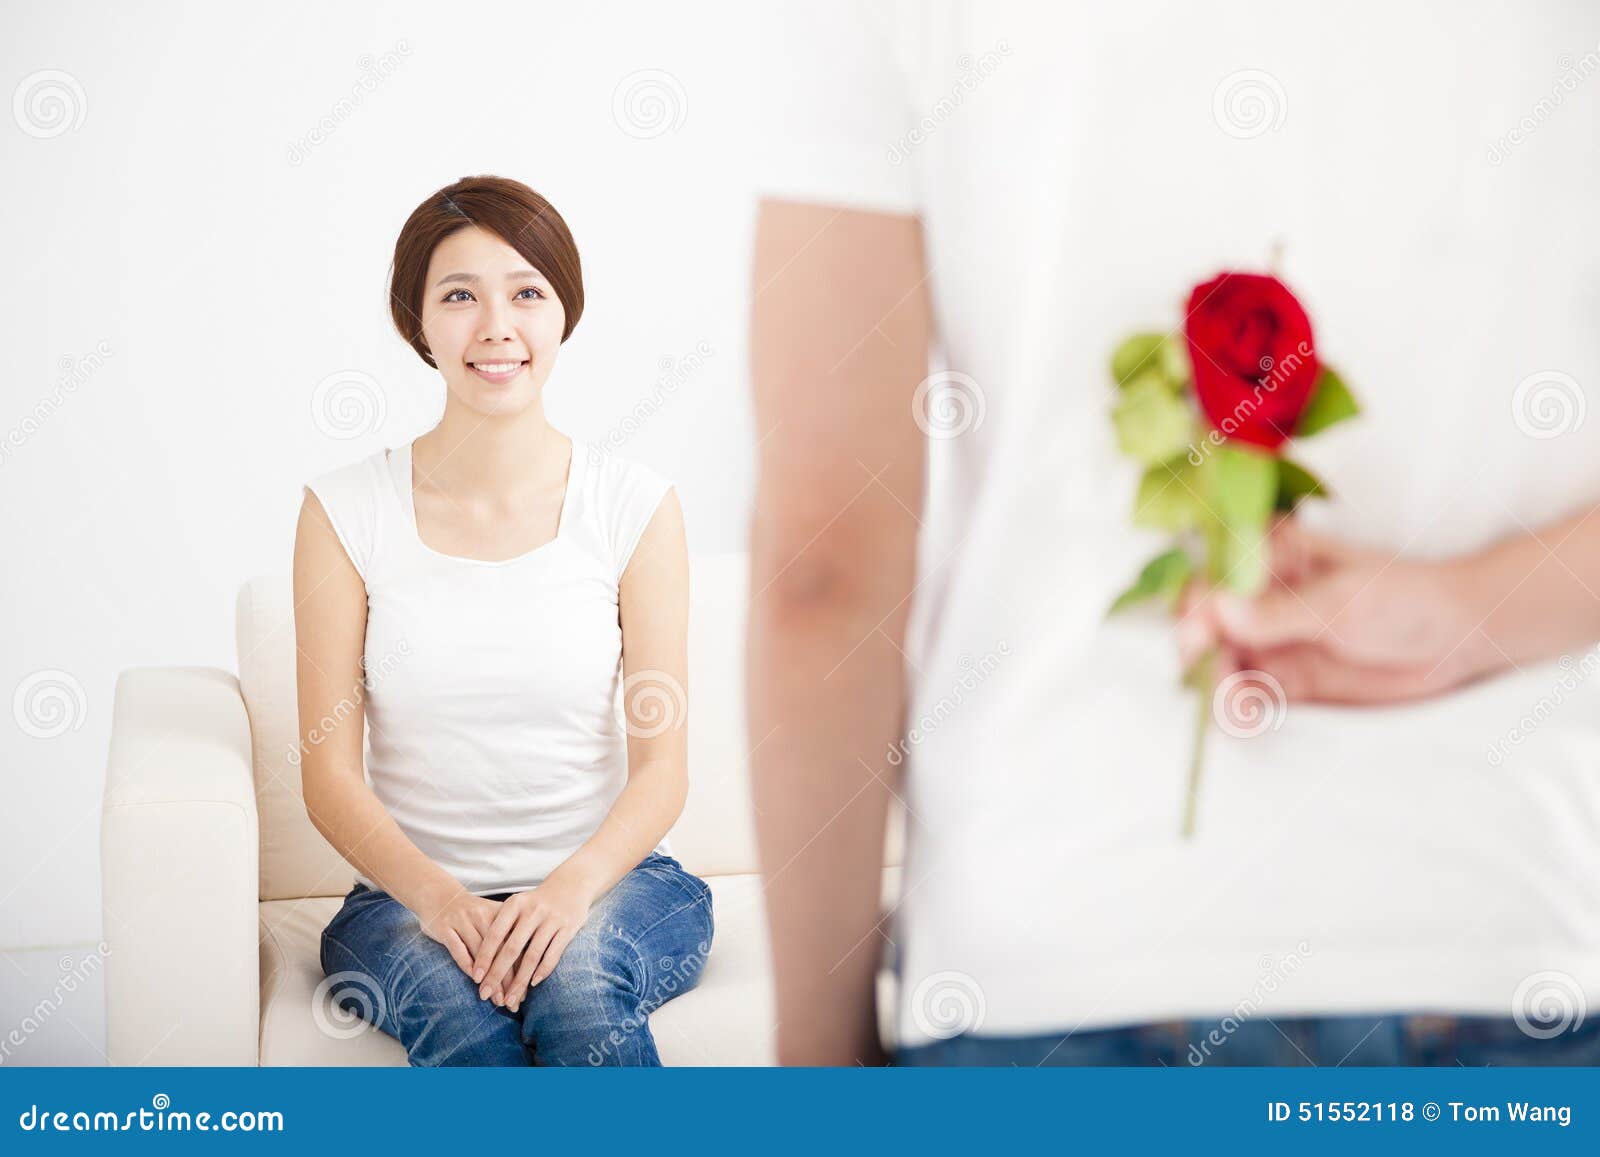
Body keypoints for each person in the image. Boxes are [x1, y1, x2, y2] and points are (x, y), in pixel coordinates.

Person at [747, 1, 1600, 1066]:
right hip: (1503, 929)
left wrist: (816, 1071)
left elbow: (822, 564)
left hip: (1050, 947)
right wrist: (1473, 612)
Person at [293, 175, 712, 1066]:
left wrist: (565, 895)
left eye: (527, 293)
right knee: (467, 1030)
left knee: (582, 996)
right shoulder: (343, 510)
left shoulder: (635, 505)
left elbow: (664, 769)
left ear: (565, 314)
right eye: (459, 296)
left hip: (622, 887)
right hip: (400, 902)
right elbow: (328, 772)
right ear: (418, 322)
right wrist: (444, 903)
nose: (496, 327)